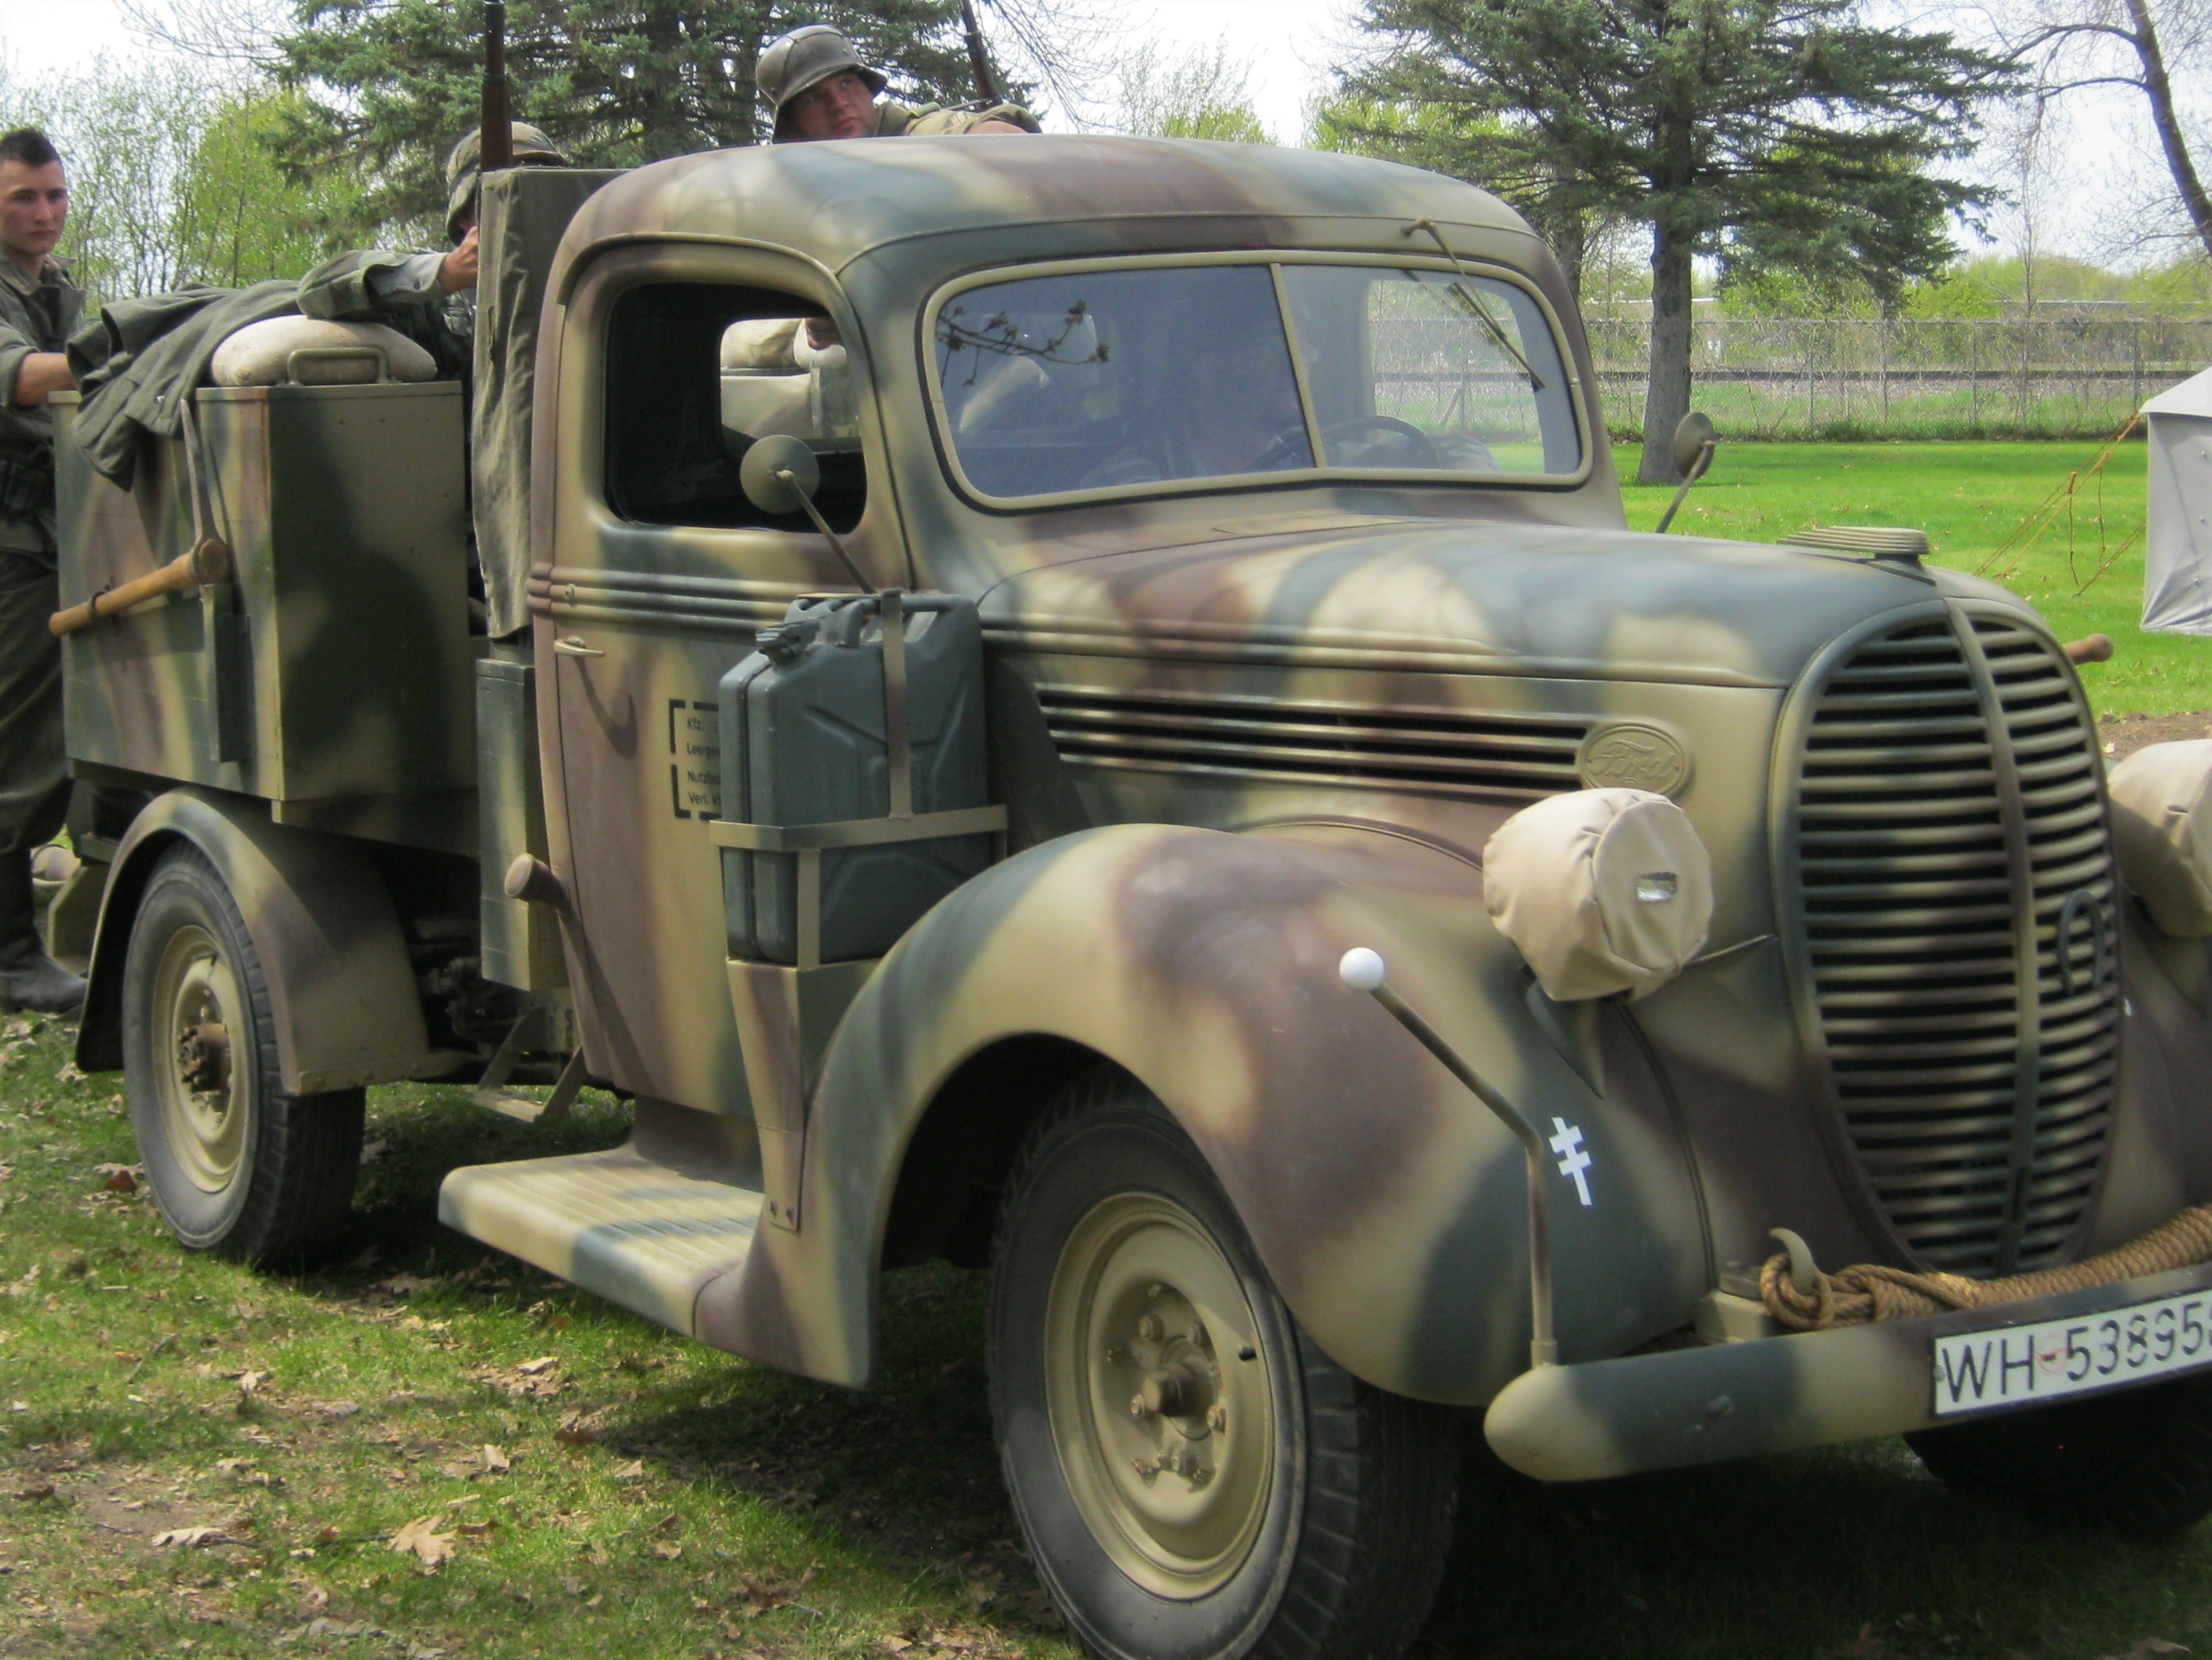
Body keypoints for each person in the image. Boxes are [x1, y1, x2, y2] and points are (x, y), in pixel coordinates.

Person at [0, 128, 85, 1014]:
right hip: (11, 549)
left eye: (55, 195)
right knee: (19, 749)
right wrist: (119, 358)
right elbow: (23, 379)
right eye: (24, 197)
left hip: (49, 539)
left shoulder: (54, 290)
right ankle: (11, 957)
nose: (44, 213)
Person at [294, 122, 569, 377]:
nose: (528, 206)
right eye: (505, 194)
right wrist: (447, 273)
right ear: (464, 215)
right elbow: (316, 290)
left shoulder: (583, 283)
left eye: (541, 190)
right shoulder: (437, 305)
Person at [756, 26, 1039, 143]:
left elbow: (1001, 138)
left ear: (867, 88)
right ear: (792, 129)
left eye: (846, 83)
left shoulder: (914, 135)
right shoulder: (797, 189)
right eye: (814, 98)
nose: (839, 104)